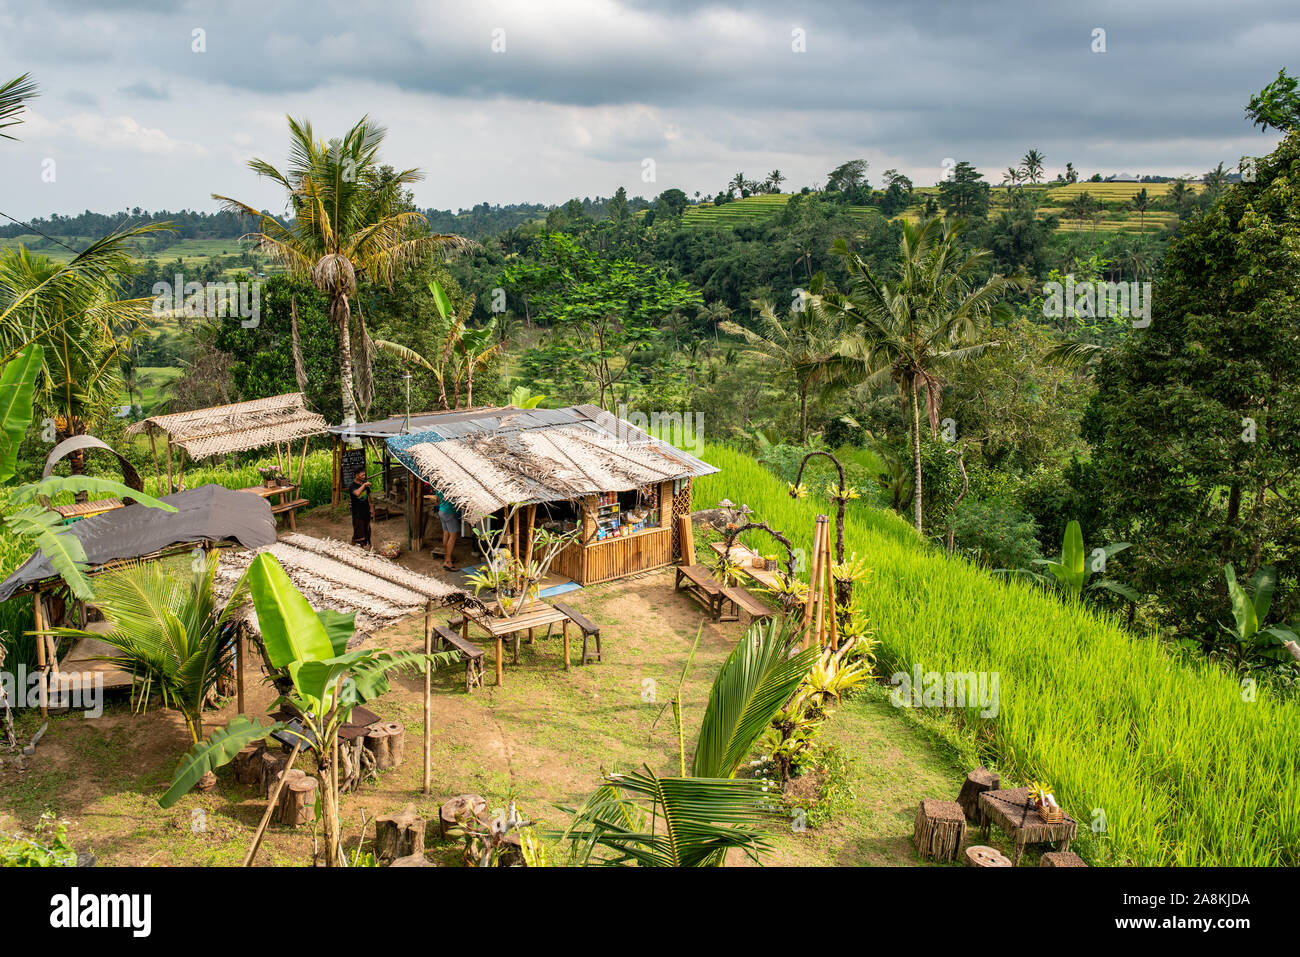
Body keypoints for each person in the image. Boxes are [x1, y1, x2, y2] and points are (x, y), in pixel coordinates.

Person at [438, 495, 463, 571]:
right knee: (453, 535)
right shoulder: (452, 486)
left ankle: (447, 557)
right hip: (449, 512)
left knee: (446, 533)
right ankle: (448, 562)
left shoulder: (440, 485)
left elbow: (438, 499)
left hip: (442, 510)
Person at [349, 467, 372, 548]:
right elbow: (357, 493)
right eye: (362, 475)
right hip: (357, 513)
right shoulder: (352, 486)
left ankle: (360, 544)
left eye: (364, 475)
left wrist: (372, 509)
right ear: (357, 476)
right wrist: (364, 485)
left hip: (366, 512)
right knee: (359, 531)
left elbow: (369, 498)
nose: (364, 476)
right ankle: (361, 547)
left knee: (366, 530)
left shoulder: (364, 485)